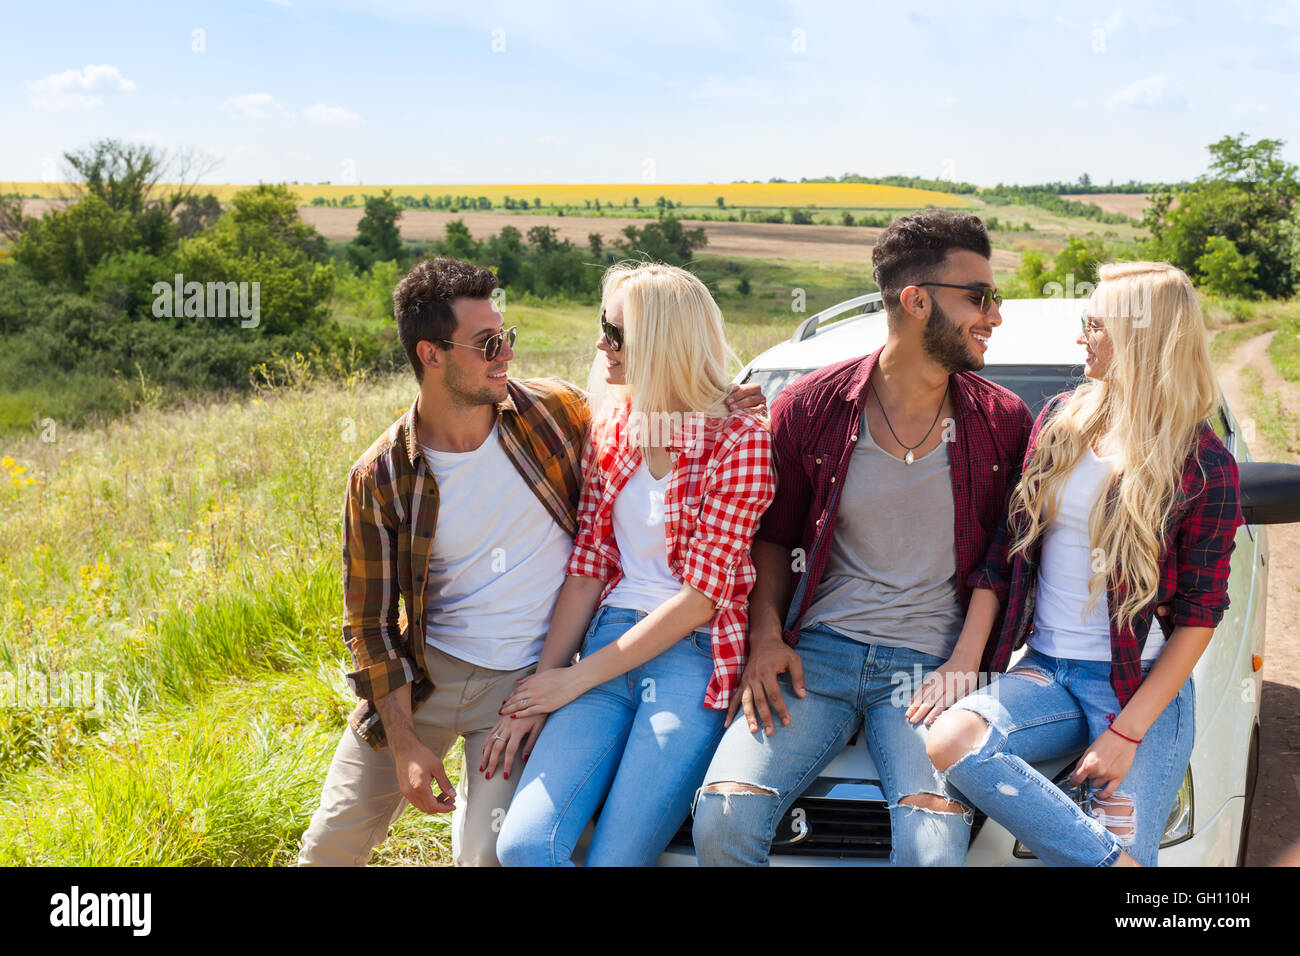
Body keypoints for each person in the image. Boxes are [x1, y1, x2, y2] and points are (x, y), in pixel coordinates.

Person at [296, 257, 763, 867]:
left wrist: (715, 404)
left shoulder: (553, 415)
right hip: (431, 675)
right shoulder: (385, 475)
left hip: (546, 671)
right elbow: (370, 626)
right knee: (332, 844)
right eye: (487, 344)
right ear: (430, 355)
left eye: (506, 337)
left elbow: (673, 422)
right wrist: (407, 740)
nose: (505, 355)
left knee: (492, 855)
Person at [690, 209, 1034, 867]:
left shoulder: (1002, 423)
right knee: (724, 821)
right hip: (817, 658)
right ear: (915, 300)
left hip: (929, 669)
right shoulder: (810, 408)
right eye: (980, 297)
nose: (994, 315)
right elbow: (772, 536)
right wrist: (766, 637)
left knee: (934, 852)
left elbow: (1007, 556)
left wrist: (967, 662)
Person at [926, 261, 1244, 867]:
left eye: (1093, 325)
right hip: (1046, 669)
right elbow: (1003, 554)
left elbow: (1202, 615)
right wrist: (966, 659)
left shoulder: (1201, 464)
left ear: (1140, 338)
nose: (1082, 338)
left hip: (1136, 686)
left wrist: (1126, 734)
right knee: (951, 740)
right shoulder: (1060, 424)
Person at [493, 261, 776, 866]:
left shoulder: (740, 438)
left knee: (614, 860)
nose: (602, 345)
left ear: (663, 340)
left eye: (616, 332)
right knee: (523, 847)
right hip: (605, 643)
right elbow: (588, 565)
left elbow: (703, 596)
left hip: (691, 655)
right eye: (604, 327)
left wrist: (574, 678)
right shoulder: (615, 427)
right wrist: (541, 688)